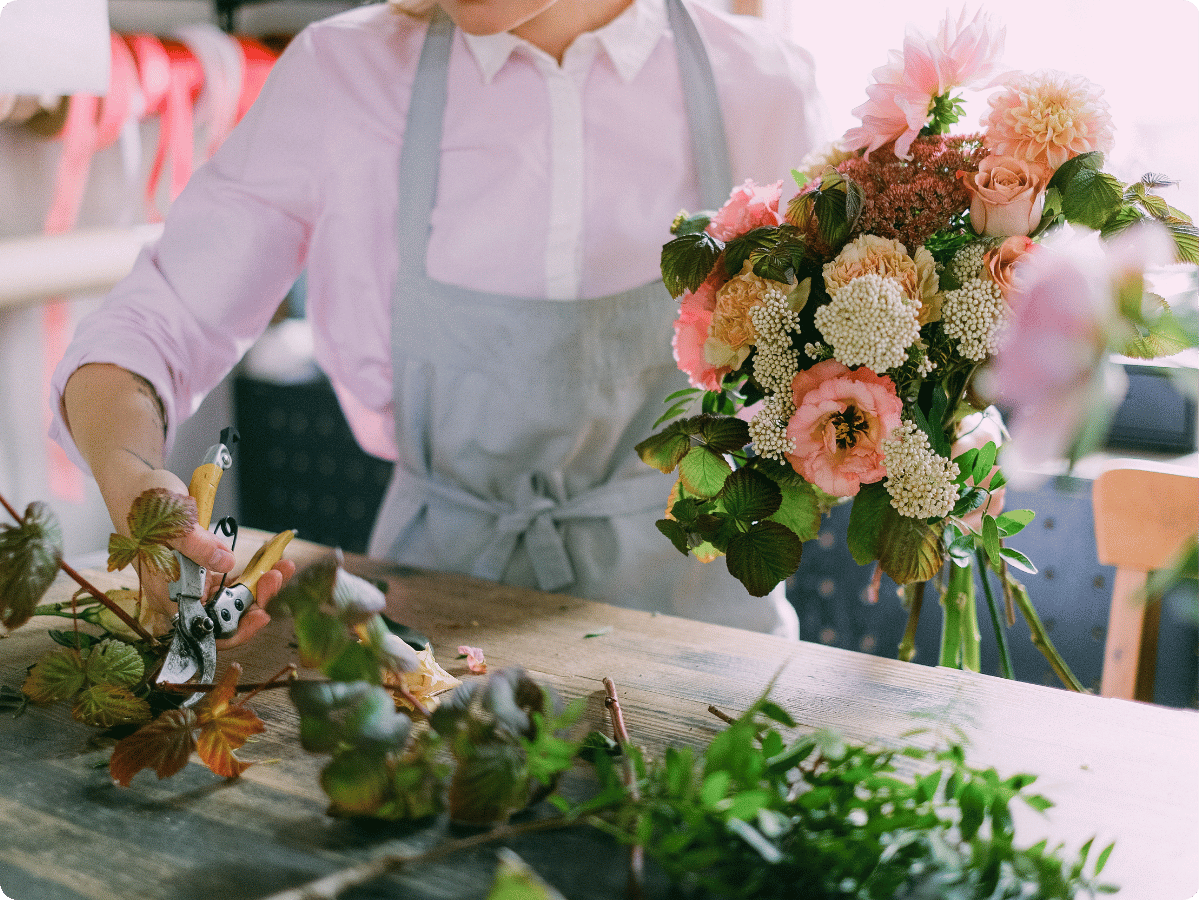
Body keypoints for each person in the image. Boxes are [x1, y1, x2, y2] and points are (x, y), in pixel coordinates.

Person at [52, 0, 827, 646]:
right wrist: (132, 476)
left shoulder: (764, 85)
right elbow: (150, 327)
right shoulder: (341, 77)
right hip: (431, 643)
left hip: (713, 651)